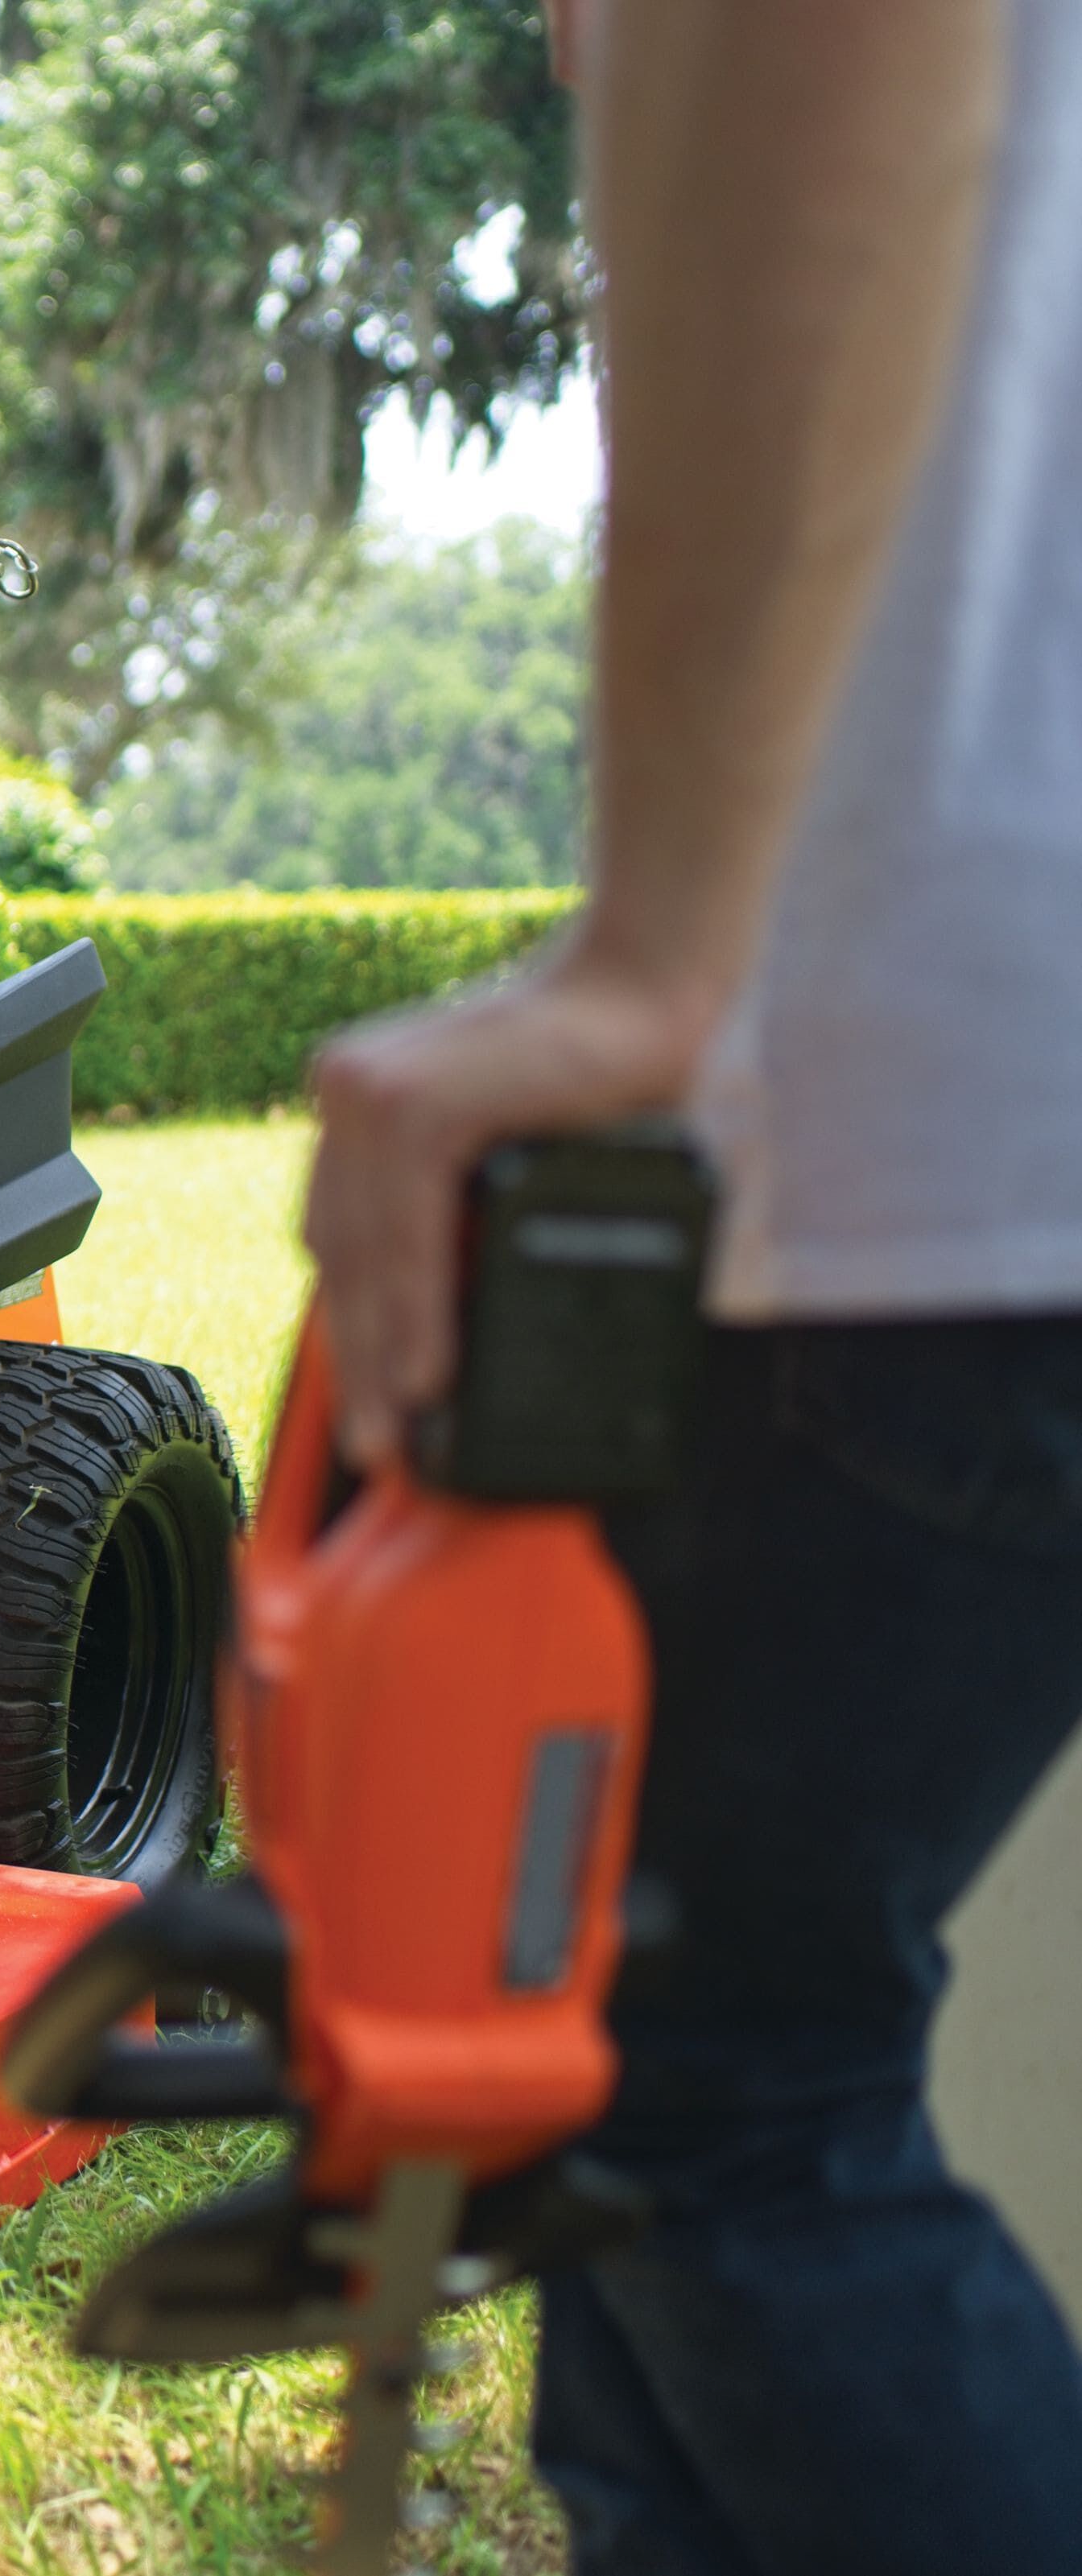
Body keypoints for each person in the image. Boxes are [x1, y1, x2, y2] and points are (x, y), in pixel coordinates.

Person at [300, 0, 1082, 2565]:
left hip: (943, 1102)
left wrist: (652, 964)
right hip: (957, 1087)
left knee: (694, 2076)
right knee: (627, 2080)